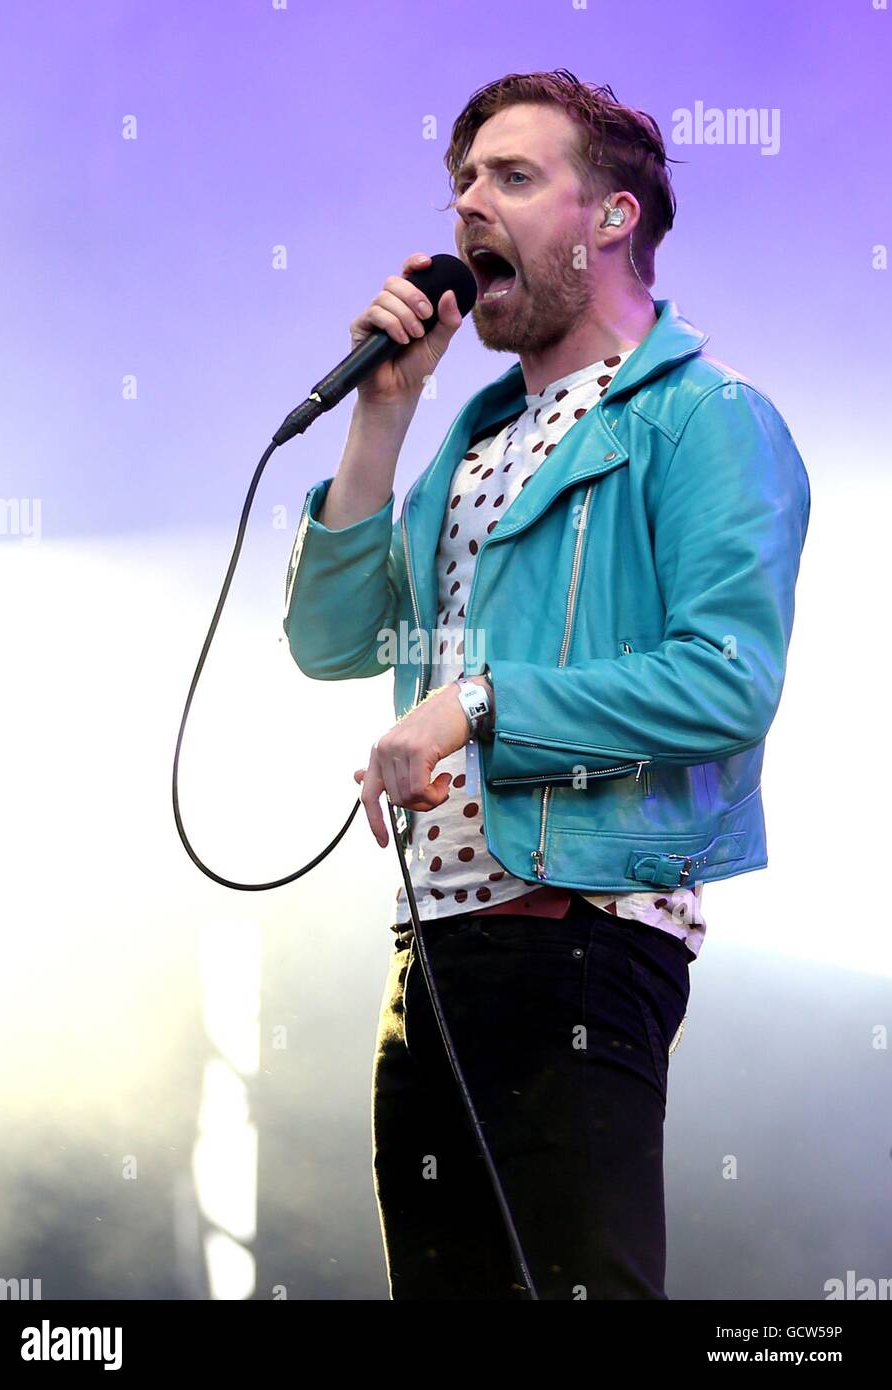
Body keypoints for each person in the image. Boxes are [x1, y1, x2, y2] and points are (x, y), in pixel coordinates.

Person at [282, 70, 811, 1299]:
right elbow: (326, 640)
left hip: (582, 937)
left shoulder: (703, 418)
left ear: (612, 218)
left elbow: (728, 680)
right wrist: (381, 420)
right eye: (462, 179)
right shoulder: (466, 444)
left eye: (513, 177)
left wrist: (477, 702)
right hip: (432, 955)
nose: (470, 204)